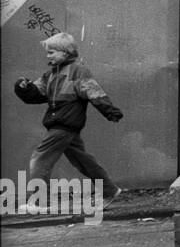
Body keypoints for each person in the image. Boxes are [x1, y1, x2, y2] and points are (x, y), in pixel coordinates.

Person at [13, 32, 123, 216]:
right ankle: (110, 190)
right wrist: (23, 88)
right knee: (82, 160)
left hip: (64, 125)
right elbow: (36, 95)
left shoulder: (77, 71)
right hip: (63, 126)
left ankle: (39, 202)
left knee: (40, 158)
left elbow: (94, 92)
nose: (48, 56)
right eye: (48, 52)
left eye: (52, 52)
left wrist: (109, 110)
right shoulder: (51, 74)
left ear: (66, 52)